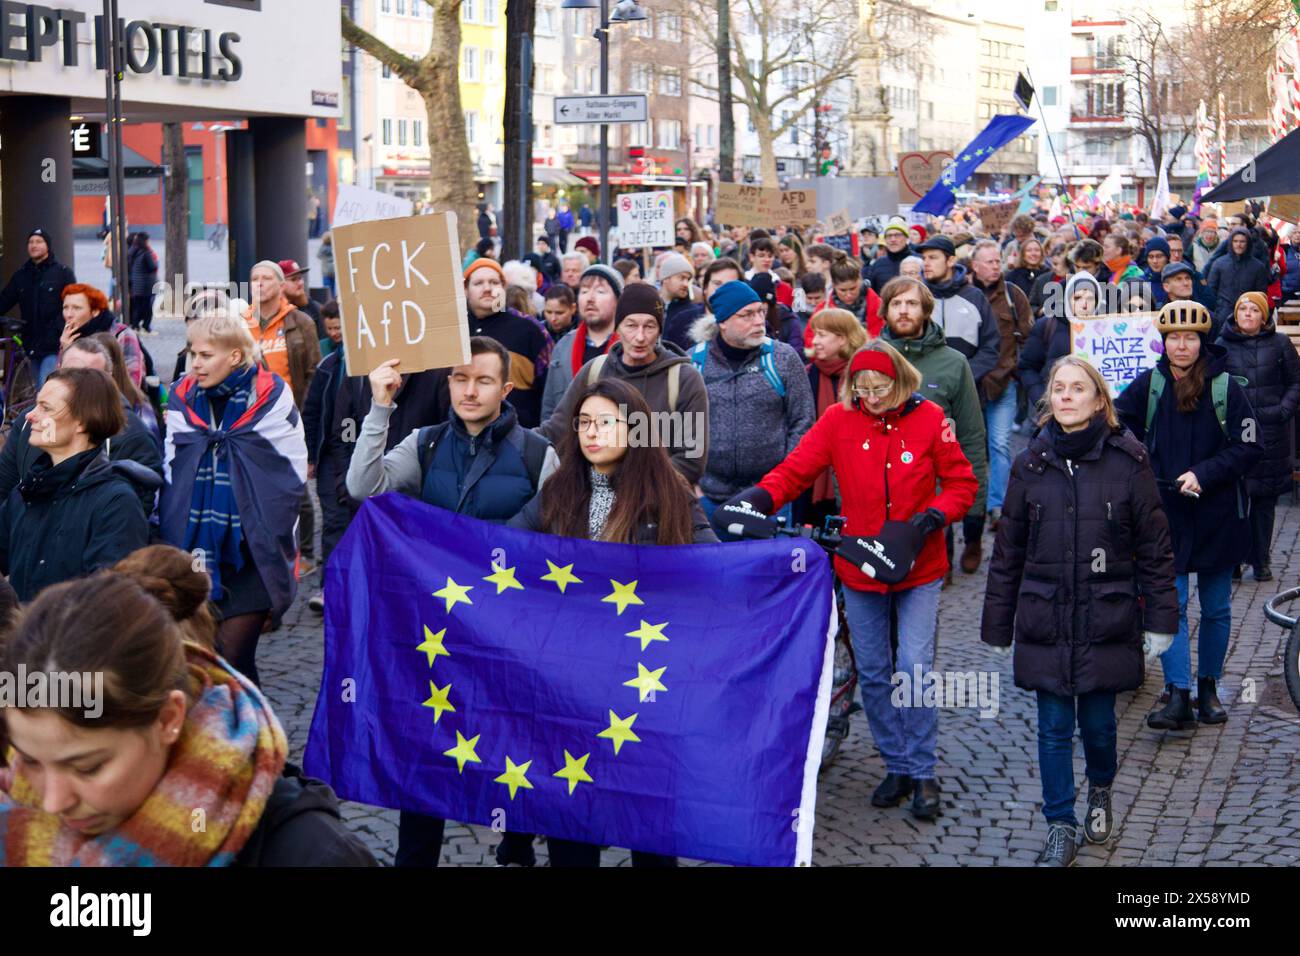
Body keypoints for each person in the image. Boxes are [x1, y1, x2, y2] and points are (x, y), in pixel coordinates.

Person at [721, 341, 977, 821]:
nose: (873, 399)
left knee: (915, 670)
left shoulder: (930, 419)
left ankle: (922, 771)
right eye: (863, 390)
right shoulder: (840, 420)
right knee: (876, 671)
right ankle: (896, 763)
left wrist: (931, 519)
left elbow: (962, 482)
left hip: (919, 564)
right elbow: (797, 469)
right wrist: (758, 498)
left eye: (881, 389)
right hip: (859, 567)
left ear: (900, 382)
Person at [0, 572, 378, 867]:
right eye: (29, 760)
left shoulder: (309, 856)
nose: (51, 802)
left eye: (88, 767)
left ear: (168, 719)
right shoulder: (15, 823)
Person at [348, 336, 556, 868]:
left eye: (483, 380)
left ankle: (517, 844)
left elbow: (558, 547)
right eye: (460, 378)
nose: (470, 390)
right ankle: (414, 859)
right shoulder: (425, 444)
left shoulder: (537, 453)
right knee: (428, 742)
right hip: (437, 630)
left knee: (513, 742)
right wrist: (380, 405)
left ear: (505, 388)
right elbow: (363, 486)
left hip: (509, 635)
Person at [509, 378, 715, 867]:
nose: (591, 433)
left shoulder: (670, 493)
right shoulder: (559, 490)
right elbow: (507, 551)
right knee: (571, 812)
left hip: (642, 680)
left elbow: (713, 568)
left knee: (647, 816)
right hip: (571, 679)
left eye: (605, 422)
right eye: (583, 423)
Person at [982, 356, 1178, 867]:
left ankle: (1101, 789)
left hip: (1105, 617)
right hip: (1045, 617)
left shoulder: (1127, 460)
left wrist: (1161, 620)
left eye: (1078, 388)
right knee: (1051, 727)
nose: (1066, 396)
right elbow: (1009, 551)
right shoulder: (1031, 463)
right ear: (1049, 399)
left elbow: (1155, 549)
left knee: (1098, 725)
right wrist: (999, 624)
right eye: (1059, 388)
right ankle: (1060, 824)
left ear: (1098, 400)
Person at [1114, 300, 1261, 729]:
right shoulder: (1149, 385)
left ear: (1202, 341)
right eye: (1174, 338)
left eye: (1190, 338)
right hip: (1165, 515)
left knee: (1215, 607)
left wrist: (1204, 473)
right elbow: (1120, 427)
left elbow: (1250, 445)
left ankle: (1209, 687)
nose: (1181, 346)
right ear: (1164, 342)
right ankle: (1177, 692)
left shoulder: (1228, 388)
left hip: (1217, 514)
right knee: (1170, 605)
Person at [162, 314, 307, 688]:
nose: (195, 363)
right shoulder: (182, 397)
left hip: (253, 549)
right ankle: (244, 739)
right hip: (196, 550)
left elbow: (287, 471)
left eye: (207, 354)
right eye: (193, 352)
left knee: (233, 658)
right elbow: (173, 466)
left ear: (237, 357)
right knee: (208, 660)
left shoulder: (271, 395)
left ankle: (256, 741)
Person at [0, 367, 151, 601]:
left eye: (45, 408)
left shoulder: (116, 502)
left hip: (74, 636)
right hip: (26, 636)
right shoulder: (28, 491)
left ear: (82, 421)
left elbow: (112, 603)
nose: (30, 415)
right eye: (36, 404)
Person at [538, 282, 710, 485]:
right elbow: (557, 430)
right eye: (631, 325)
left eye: (649, 326)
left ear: (659, 330)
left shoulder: (684, 379)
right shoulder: (595, 371)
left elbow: (692, 460)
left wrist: (633, 488)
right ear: (617, 327)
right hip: (595, 499)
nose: (640, 337)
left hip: (657, 505)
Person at [878, 276, 989, 579]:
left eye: (911, 303)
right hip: (882, 493)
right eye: (896, 304)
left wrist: (975, 504)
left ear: (926, 310)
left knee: (933, 584)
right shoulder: (869, 357)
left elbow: (971, 435)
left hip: (934, 495)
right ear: (884, 311)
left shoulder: (954, 363)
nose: (903, 311)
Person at [689, 280, 814, 535]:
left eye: (760, 312)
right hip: (710, 499)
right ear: (722, 321)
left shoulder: (782, 357)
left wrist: (781, 480)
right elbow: (678, 426)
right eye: (747, 315)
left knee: (767, 573)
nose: (759, 321)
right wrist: (693, 486)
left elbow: (803, 421)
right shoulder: (694, 362)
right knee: (714, 573)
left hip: (768, 499)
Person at [1216, 291, 1300, 582]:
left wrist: (1282, 410)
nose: (1248, 314)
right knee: (1234, 500)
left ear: (1264, 316)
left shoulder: (1280, 344)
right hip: (1235, 434)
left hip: (1270, 432)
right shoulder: (1223, 344)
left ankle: (1261, 560)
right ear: (1236, 313)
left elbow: (1295, 382)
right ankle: (1235, 559)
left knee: (1264, 503)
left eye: (1254, 310)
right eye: (1243, 309)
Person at [969, 239, 1033, 559]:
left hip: (1004, 382)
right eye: (990, 262)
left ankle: (997, 506)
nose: (996, 266)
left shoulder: (1014, 296)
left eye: (998, 261)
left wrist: (1016, 370)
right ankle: (972, 505)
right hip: (970, 385)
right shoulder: (965, 295)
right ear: (975, 266)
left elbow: (1028, 335)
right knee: (973, 449)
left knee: (999, 444)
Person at [462, 258, 552, 429]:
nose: (487, 288)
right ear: (466, 289)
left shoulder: (530, 329)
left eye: (494, 282)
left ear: (504, 287)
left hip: (518, 437)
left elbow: (549, 390)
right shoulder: (453, 330)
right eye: (479, 283)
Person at [799, 308, 869, 524]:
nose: (815, 340)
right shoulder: (807, 373)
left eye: (822, 334)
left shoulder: (864, 375)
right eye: (814, 334)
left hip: (857, 472)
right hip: (813, 473)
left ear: (842, 339)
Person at [917, 236, 1002, 393]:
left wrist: (965, 375)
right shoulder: (917, 297)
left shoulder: (974, 297)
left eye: (933, 257)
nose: (926, 263)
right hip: (924, 392)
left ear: (950, 261)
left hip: (968, 390)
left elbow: (990, 346)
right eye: (924, 258)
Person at [541, 264, 622, 421]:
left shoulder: (630, 348)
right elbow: (549, 407)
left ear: (618, 301)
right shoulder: (563, 346)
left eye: (600, 291)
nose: (590, 298)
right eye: (584, 291)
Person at [0, 227, 77, 386]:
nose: (34, 245)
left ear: (48, 246)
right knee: (38, 389)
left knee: (46, 386)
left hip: (54, 344)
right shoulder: (22, 275)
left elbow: (74, 305)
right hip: (31, 344)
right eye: (31, 242)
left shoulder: (63, 273)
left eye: (38, 241)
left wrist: (60, 330)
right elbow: (5, 300)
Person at [1019, 272, 1103, 412]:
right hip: (1054, 410)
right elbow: (1027, 367)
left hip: (1095, 410)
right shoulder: (1047, 325)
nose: (1084, 304)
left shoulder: (1105, 327)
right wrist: (1043, 400)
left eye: (1090, 298)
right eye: (1077, 298)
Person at [244, 260, 321, 409]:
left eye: (266, 278)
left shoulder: (301, 322)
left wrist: (302, 412)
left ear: (281, 286)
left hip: (290, 410)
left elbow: (314, 373)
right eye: (254, 279)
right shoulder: (239, 324)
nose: (259, 283)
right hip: (249, 414)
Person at [57, 282, 144, 389]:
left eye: (77, 308)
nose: (69, 314)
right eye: (65, 307)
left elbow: (132, 382)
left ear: (95, 312)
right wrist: (66, 350)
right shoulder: (70, 337)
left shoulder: (121, 334)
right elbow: (62, 382)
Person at [1206, 227, 1271, 335]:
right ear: (1230, 242)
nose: (1238, 244)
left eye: (1242, 241)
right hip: (1223, 315)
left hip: (1248, 315)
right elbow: (1211, 291)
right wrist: (1218, 311)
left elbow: (1261, 294)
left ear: (1248, 243)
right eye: (1235, 241)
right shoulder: (1219, 263)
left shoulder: (1257, 267)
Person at [659, 252, 704, 351]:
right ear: (666, 278)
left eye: (688, 279)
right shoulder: (649, 306)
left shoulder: (691, 313)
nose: (686, 284)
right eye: (681, 278)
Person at [867, 218, 915, 293]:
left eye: (897, 235)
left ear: (906, 238)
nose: (893, 239)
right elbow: (871, 293)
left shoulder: (917, 261)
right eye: (889, 236)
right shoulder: (877, 264)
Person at [279, 259, 324, 337]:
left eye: (300, 278)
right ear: (280, 283)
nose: (300, 283)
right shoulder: (273, 312)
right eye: (293, 279)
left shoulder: (314, 308)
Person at [126, 233, 158, 334]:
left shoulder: (132, 252)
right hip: (146, 285)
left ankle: (135, 326)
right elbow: (152, 267)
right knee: (148, 307)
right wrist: (156, 263)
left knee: (137, 306)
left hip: (136, 284)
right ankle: (146, 326)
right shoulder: (146, 252)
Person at [1281, 228, 1300, 302]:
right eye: (1295, 232)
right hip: (1287, 293)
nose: (1297, 235)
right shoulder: (1284, 250)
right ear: (1290, 235)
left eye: (1299, 232)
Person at [317, 231, 337, 296]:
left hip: (326, 271)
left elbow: (318, 256)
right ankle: (333, 297)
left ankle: (327, 298)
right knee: (333, 286)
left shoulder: (323, 248)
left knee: (326, 286)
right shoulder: (333, 247)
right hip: (333, 270)